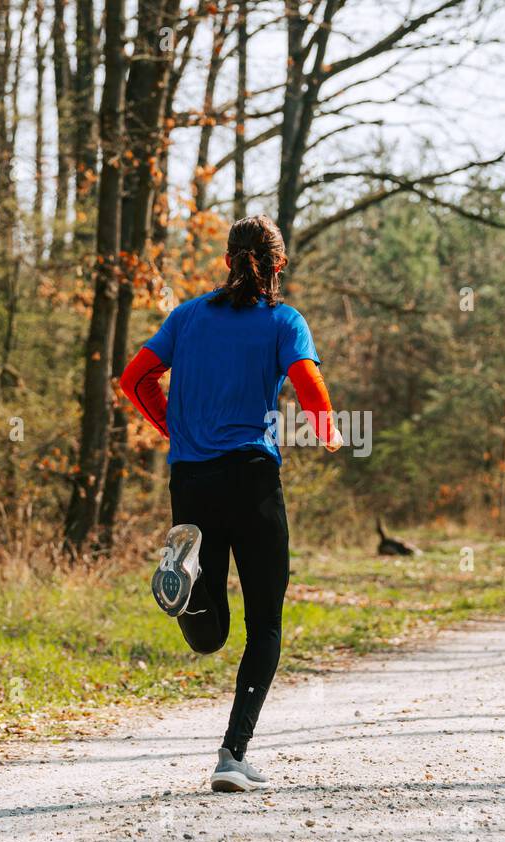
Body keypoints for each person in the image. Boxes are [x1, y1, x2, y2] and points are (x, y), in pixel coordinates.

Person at [118, 214, 342, 793]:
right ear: (278, 265)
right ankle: (232, 755)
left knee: (209, 629)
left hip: (191, 479)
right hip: (251, 478)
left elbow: (135, 377)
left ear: (226, 262)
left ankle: (183, 584)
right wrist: (328, 430)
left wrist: (175, 427)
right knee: (264, 622)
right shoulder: (282, 321)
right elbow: (308, 383)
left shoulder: (186, 318)